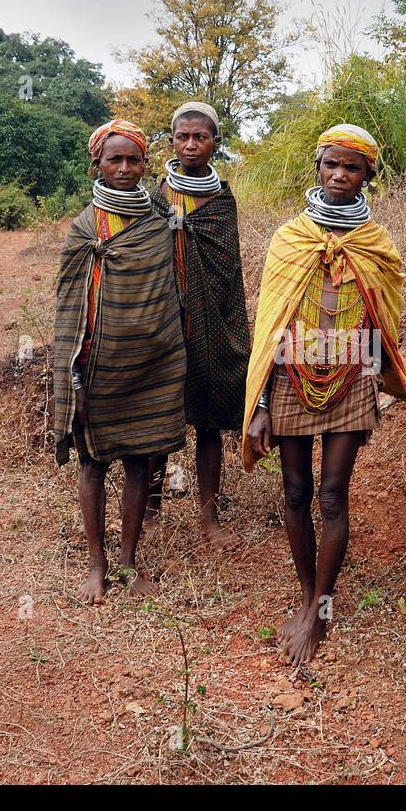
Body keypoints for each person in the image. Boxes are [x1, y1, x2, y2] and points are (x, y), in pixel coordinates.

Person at [242, 124, 406, 665]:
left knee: (332, 496)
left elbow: (382, 320)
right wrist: (258, 405)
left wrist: (376, 384)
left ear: (368, 176)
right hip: (288, 374)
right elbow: (269, 324)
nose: (339, 175)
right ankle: (306, 599)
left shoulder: (376, 245)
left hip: (351, 378)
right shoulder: (290, 239)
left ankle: (320, 613)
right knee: (295, 494)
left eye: (351, 168)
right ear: (317, 168)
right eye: (331, 165)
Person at [51, 119, 185, 602]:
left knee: (139, 463)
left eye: (134, 160)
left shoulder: (159, 220)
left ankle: (127, 562)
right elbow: (71, 309)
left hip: (151, 364)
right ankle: (96, 564)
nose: (125, 168)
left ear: (145, 163)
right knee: (92, 465)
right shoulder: (86, 230)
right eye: (115, 159)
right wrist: (75, 377)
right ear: (98, 164)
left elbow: (173, 290)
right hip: (97, 366)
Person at [145, 101, 251, 549]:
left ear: (215, 144)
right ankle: (149, 510)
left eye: (200, 137)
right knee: (156, 416)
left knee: (209, 423)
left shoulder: (221, 202)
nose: (191, 144)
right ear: (171, 142)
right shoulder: (153, 198)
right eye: (183, 136)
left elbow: (229, 273)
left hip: (210, 324)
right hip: (164, 322)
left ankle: (209, 516)